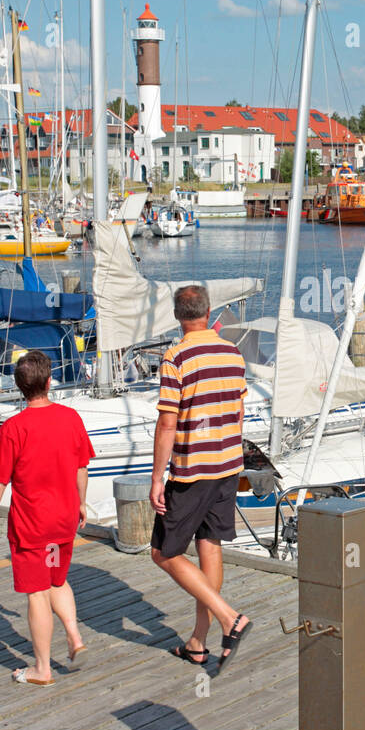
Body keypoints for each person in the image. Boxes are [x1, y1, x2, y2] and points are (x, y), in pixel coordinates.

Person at [0, 350, 94, 686]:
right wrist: (81, 503)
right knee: (57, 581)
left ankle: (42, 669)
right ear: (50, 382)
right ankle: (74, 635)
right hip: (64, 520)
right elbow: (82, 466)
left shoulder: (13, 428)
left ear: (19, 386)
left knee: (37, 593)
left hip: (31, 525)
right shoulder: (71, 418)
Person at [150, 285, 252, 672]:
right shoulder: (232, 352)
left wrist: (158, 476)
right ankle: (198, 642)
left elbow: (167, 423)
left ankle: (230, 619)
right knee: (209, 547)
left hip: (193, 470)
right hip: (227, 465)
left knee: (164, 553)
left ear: (178, 316)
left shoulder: (176, 357)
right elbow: (239, 412)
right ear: (209, 312)